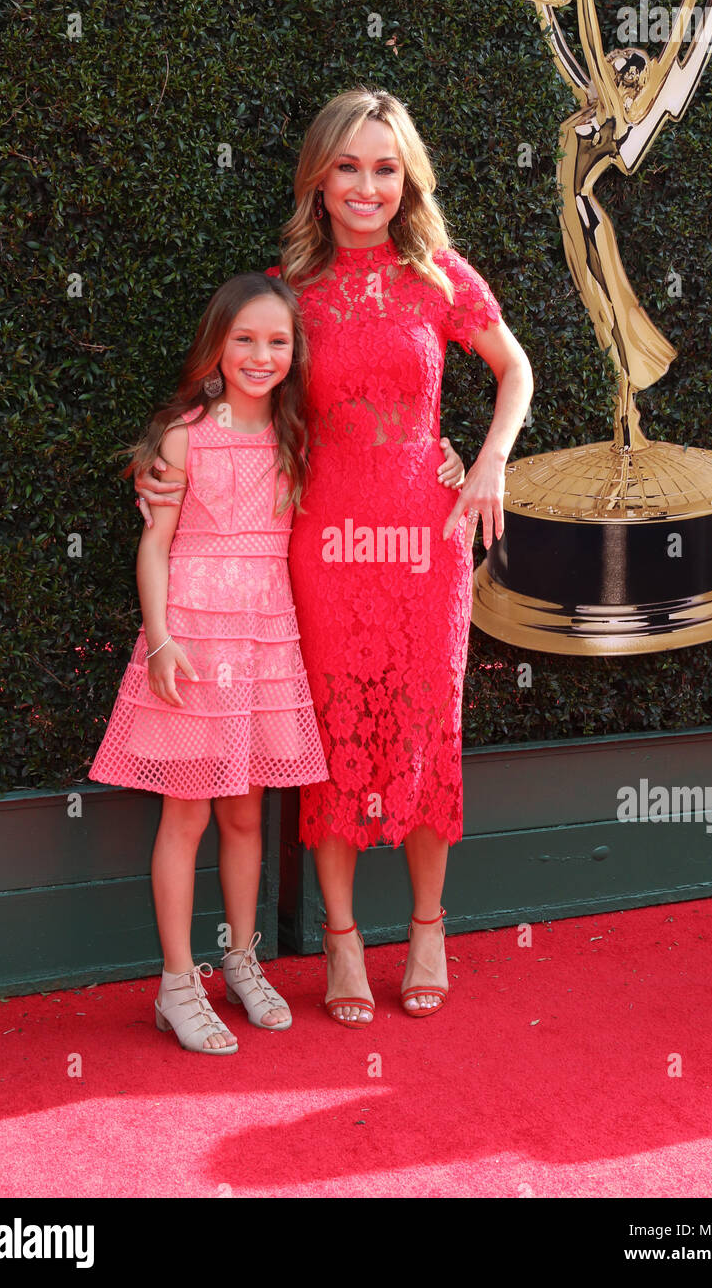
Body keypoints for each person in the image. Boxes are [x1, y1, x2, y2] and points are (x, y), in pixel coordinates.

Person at [137, 86, 533, 1026]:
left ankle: (430, 928)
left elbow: (514, 369)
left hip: (425, 546)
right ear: (319, 179)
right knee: (331, 738)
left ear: (409, 178)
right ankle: (344, 940)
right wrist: (165, 464)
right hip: (318, 546)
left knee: (427, 727)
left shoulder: (440, 276)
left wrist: (484, 466)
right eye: (348, 168)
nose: (367, 187)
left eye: (385, 169)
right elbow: (240, 394)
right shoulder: (290, 289)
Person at [89, 272, 331, 1053]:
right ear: (216, 347)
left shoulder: (298, 434)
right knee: (187, 810)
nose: (261, 355)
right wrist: (160, 639)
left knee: (244, 811)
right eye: (244, 340)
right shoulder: (183, 435)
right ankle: (174, 982)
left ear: (295, 353)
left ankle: (240, 959)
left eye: (277, 341)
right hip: (193, 641)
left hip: (265, 639)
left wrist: (454, 460)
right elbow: (152, 545)